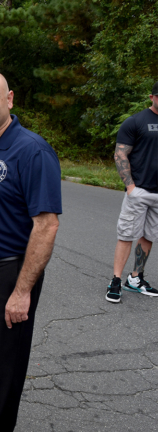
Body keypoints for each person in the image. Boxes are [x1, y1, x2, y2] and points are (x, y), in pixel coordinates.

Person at [0, 71, 61, 432]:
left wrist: (22, 291)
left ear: (10, 100)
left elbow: (46, 225)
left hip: (8, 275)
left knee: (4, 369)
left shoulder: (32, 150)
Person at [106, 81, 158, 303]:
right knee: (126, 235)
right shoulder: (136, 121)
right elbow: (120, 154)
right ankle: (116, 280)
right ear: (152, 97)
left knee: (149, 236)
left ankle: (135, 278)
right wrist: (130, 187)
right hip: (139, 190)